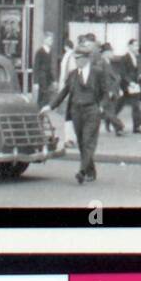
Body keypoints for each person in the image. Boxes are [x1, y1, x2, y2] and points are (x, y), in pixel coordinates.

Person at [49, 35, 109, 183]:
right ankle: (91, 170)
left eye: (79, 58)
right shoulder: (73, 74)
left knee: (88, 140)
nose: (76, 61)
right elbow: (64, 92)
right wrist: (50, 106)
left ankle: (82, 171)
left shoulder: (97, 73)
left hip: (92, 110)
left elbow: (106, 93)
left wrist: (101, 107)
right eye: (75, 58)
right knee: (82, 142)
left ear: (87, 58)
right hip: (76, 111)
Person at [113, 39, 141, 134]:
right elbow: (123, 72)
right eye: (135, 45)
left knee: (136, 106)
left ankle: (137, 127)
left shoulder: (138, 58)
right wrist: (130, 82)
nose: (137, 48)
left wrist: (140, 76)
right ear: (129, 46)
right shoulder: (124, 58)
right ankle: (111, 120)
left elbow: (138, 70)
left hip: (135, 85)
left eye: (137, 46)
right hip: (126, 85)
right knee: (119, 105)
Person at [98, 42, 126, 136]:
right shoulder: (102, 63)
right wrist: (108, 91)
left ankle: (111, 125)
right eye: (110, 52)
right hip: (108, 90)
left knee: (110, 110)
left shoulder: (108, 63)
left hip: (113, 89)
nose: (112, 54)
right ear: (105, 53)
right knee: (109, 110)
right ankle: (119, 127)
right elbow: (104, 79)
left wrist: (118, 89)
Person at [32, 35, 56, 108]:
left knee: (45, 95)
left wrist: (53, 79)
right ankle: (41, 109)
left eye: (52, 40)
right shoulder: (40, 52)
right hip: (42, 76)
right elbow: (36, 66)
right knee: (44, 94)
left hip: (48, 77)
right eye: (49, 40)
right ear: (44, 40)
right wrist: (35, 81)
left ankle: (41, 109)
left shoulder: (50, 51)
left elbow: (51, 66)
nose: (51, 42)